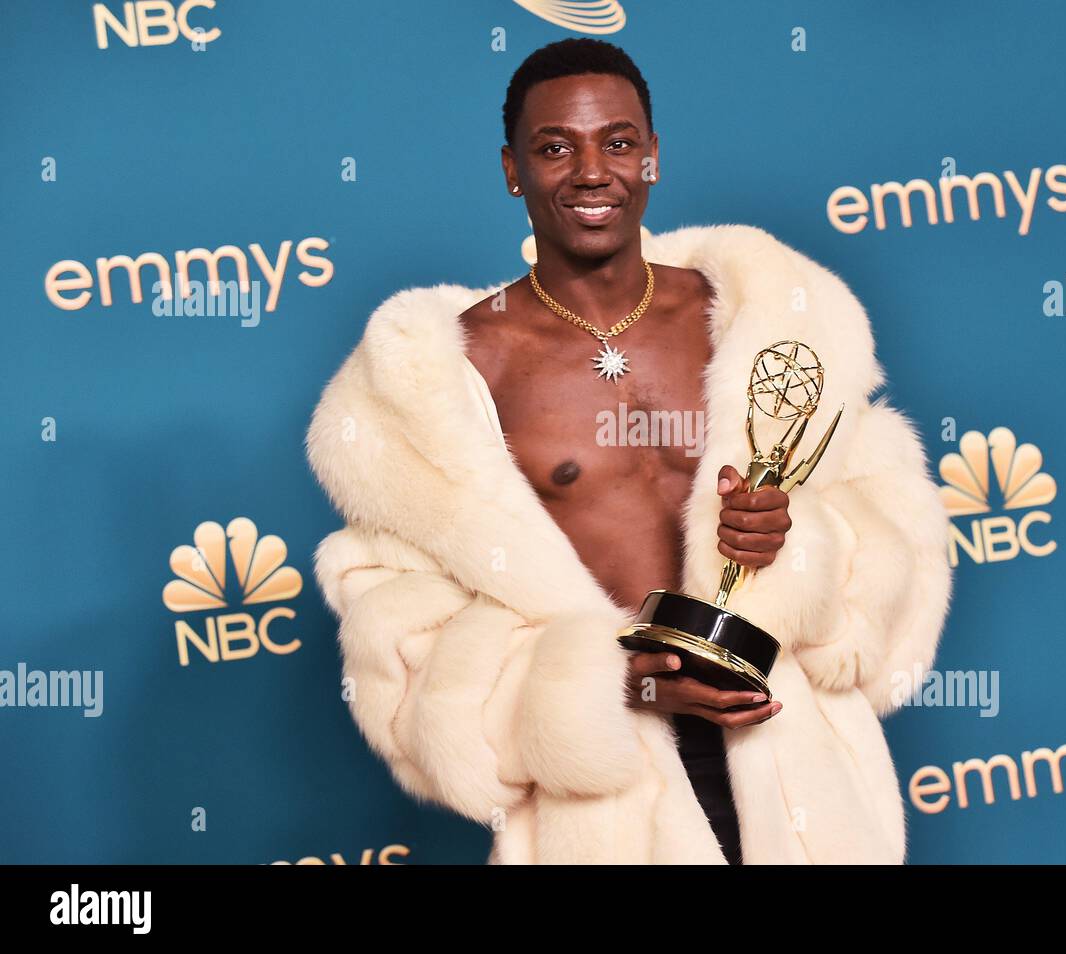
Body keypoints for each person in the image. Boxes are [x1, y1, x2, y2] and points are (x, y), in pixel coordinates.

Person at [306, 38, 952, 864]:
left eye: (617, 142)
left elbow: (893, 544)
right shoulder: (452, 375)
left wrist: (797, 544)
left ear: (652, 158)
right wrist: (608, 690)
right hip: (604, 815)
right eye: (554, 148)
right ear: (512, 169)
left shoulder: (765, 323)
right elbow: (408, 655)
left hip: (798, 769)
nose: (589, 172)